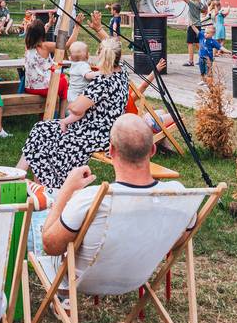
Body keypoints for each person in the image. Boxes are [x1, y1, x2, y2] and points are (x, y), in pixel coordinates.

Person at [39, 114, 186, 275]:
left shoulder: (90, 199)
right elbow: (179, 240)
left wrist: (66, 189)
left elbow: (50, 246)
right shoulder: (178, 193)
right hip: (139, 274)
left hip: (86, 280)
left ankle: (65, 299)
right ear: (152, 150)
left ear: (111, 150)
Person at [19, 38, 145, 188]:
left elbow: (76, 108)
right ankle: (27, 177)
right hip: (107, 130)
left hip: (95, 133)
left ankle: (40, 182)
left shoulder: (102, 81)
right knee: (42, 129)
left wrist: (78, 96)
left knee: (45, 134)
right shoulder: (122, 72)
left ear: (100, 55)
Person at [22, 18, 79, 100]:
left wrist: (49, 24)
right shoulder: (45, 46)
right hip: (44, 88)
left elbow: (36, 33)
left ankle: (51, 109)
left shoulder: (27, 47)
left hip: (29, 88)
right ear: (42, 34)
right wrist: (77, 27)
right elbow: (66, 45)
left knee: (60, 78)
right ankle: (62, 112)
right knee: (64, 80)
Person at [181, 0, 205, 67]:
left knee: (190, 43)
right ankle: (204, 57)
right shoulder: (199, 4)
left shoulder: (191, 4)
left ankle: (191, 61)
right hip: (198, 25)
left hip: (192, 26)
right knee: (198, 43)